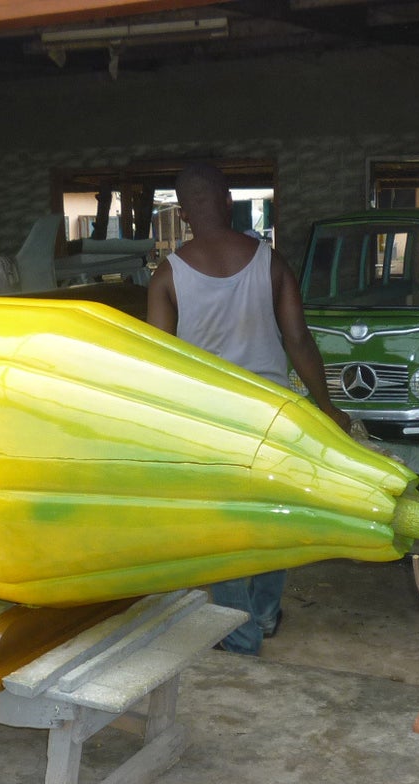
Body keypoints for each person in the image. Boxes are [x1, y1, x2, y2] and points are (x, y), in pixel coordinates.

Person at [146, 163, 350, 655]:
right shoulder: (269, 261)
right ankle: (263, 612)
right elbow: (298, 340)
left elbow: (156, 360)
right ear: (229, 200)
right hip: (272, 413)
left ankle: (239, 632)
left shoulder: (168, 275)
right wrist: (329, 408)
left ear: (185, 213)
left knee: (226, 525)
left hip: (208, 420)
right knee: (271, 516)